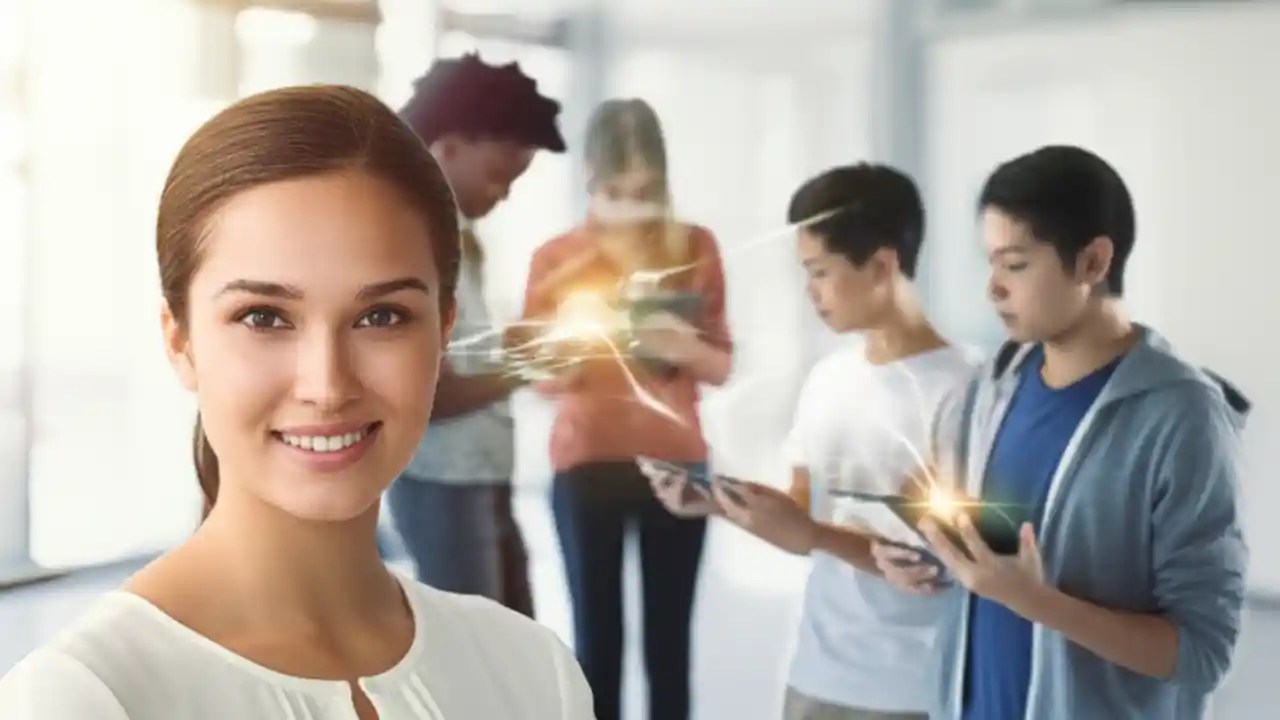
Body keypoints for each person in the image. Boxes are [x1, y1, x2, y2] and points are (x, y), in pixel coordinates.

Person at [0, 85, 593, 719]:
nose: (328, 384)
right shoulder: (85, 697)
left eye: (382, 316)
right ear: (180, 340)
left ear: (444, 329)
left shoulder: (533, 670)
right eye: (264, 317)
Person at [873, 145, 1249, 719]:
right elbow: (983, 565)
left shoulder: (1183, 416)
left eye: (1016, 265)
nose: (993, 288)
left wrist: (1035, 601)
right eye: (991, 264)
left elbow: (1202, 652)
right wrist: (925, 556)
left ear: (1094, 262)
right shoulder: (988, 390)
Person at [645, 164, 976, 719]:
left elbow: (947, 560)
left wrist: (815, 533)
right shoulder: (829, 378)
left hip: (912, 688)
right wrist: (713, 503)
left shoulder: (965, 389)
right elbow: (800, 518)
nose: (810, 292)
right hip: (816, 678)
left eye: (820, 272)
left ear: (881, 266)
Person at [520, 98, 733, 720]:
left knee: (670, 650)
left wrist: (681, 344)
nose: (633, 203)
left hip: (679, 463)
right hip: (588, 463)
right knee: (597, 645)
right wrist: (576, 343)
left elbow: (722, 366)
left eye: (645, 189)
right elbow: (536, 377)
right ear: (591, 178)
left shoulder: (696, 246)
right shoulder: (558, 257)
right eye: (618, 188)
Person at [390, 53, 566, 615]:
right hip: (443, 477)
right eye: (498, 177)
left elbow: (462, 349)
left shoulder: (460, 235)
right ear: (447, 148)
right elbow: (434, 394)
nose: (504, 195)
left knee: (512, 635)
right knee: (477, 656)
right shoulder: (407, 240)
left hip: (480, 469)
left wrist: (522, 343)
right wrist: (539, 361)